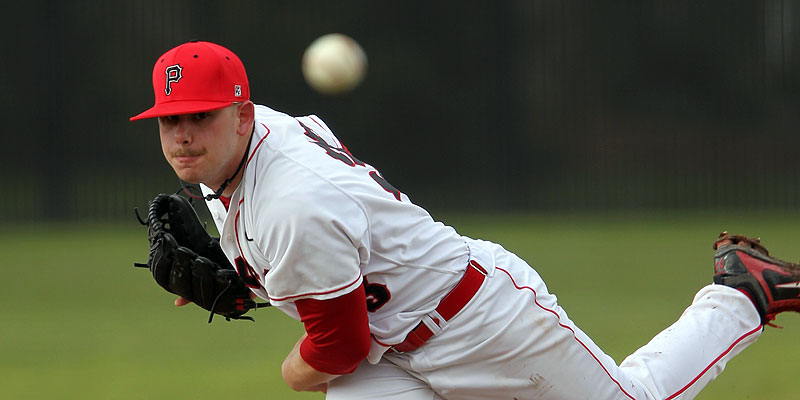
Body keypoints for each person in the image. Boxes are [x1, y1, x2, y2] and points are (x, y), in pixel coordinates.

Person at [130, 40, 800, 400]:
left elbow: (336, 349)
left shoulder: (292, 204)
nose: (183, 135)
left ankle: (740, 293)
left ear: (243, 114)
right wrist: (250, 279)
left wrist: (286, 373)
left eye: (201, 116)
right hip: (388, 355)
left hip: (478, 323)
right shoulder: (240, 150)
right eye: (170, 119)